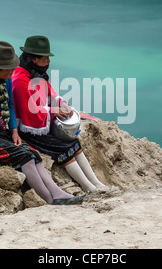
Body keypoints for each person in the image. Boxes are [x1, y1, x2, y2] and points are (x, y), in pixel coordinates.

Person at [0, 40, 84, 205]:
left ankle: (58, 194)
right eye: (9, 68)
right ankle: (49, 199)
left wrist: (14, 131)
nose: (12, 72)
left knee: (32, 153)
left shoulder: (5, 77)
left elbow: (9, 105)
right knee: (24, 157)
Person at [11, 35, 106, 192]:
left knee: (75, 144)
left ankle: (97, 183)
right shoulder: (20, 80)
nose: (48, 61)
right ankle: (89, 187)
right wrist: (53, 111)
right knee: (64, 149)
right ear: (34, 59)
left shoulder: (34, 73)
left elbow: (49, 92)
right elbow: (29, 112)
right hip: (27, 130)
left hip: (41, 120)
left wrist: (61, 103)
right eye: (45, 58)